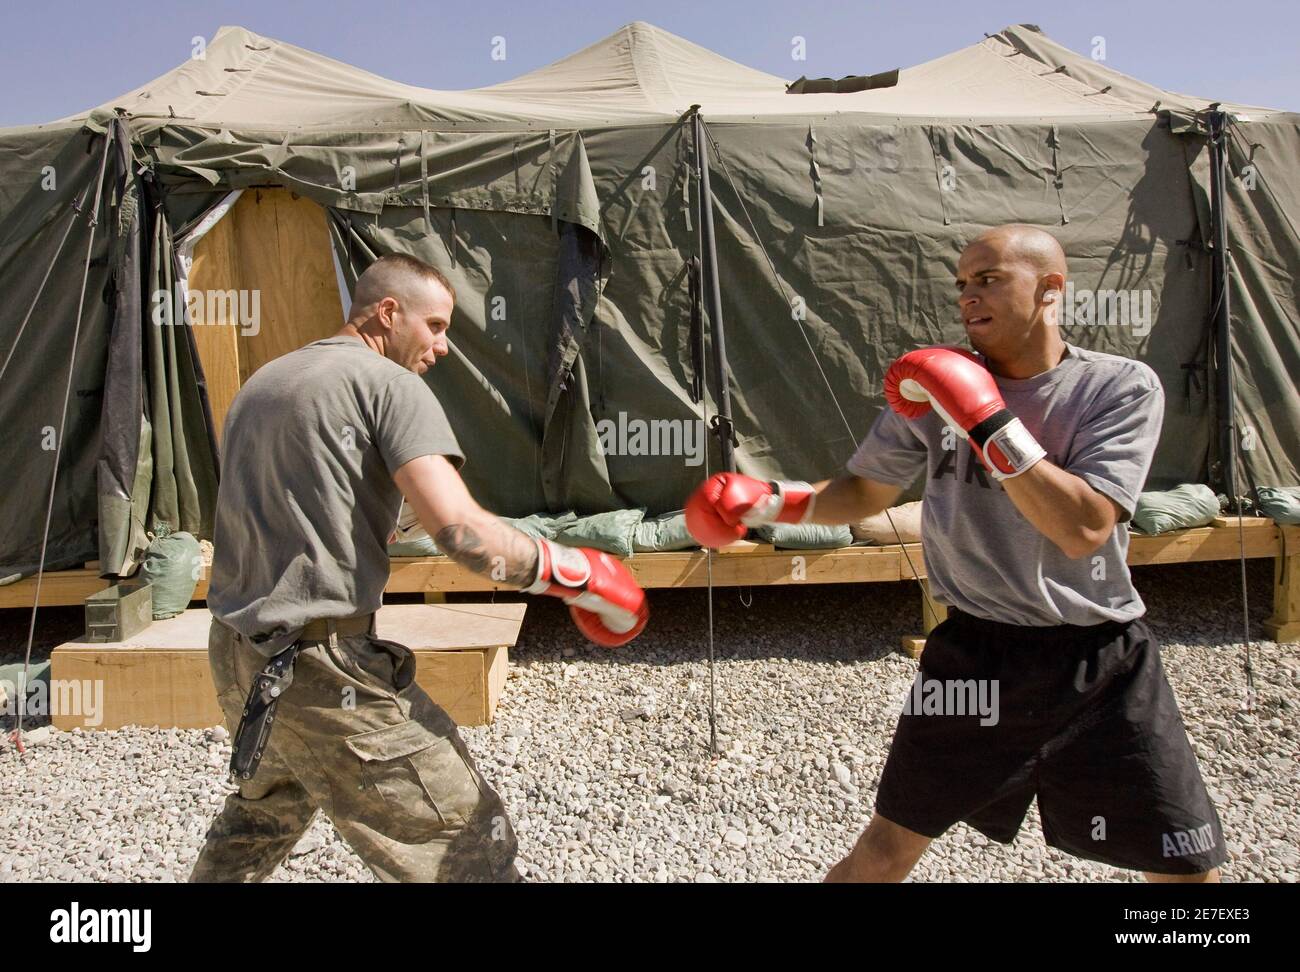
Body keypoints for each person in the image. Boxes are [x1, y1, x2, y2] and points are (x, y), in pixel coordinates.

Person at [685, 224, 1225, 882]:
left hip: (1100, 660)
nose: (969, 296)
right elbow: (864, 491)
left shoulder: (1119, 388)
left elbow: (1083, 527)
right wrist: (767, 502)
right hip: (975, 654)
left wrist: (986, 418)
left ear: (1051, 289)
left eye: (990, 278)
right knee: (886, 850)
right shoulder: (932, 388)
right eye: (963, 284)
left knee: (1185, 868)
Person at [191, 253, 648, 883]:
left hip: (238, 653)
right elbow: (462, 536)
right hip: (321, 666)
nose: (444, 347)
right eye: (435, 326)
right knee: (464, 842)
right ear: (387, 312)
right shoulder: (391, 386)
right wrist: (574, 571)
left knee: (263, 817)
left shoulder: (263, 384)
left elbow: (320, 508)